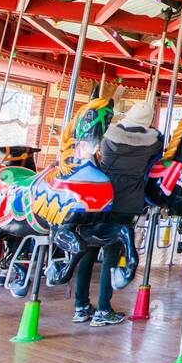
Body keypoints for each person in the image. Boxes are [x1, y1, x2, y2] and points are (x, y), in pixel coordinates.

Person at [72, 101, 164, 327]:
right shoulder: (152, 143)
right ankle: (103, 309)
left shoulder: (108, 136)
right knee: (111, 257)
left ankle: (81, 306)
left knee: (88, 252)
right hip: (126, 203)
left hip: (99, 197)